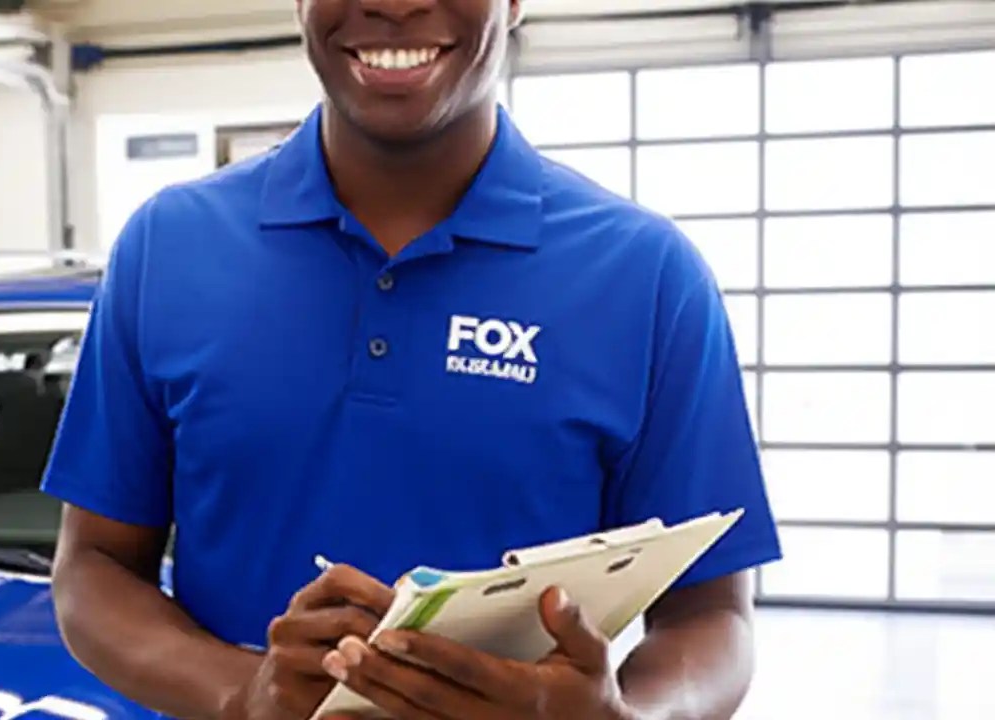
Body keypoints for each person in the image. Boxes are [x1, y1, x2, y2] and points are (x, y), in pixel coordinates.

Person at [42, 0, 782, 718]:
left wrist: (628, 717)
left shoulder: (646, 276)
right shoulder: (168, 246)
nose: (394, 6)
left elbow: (712, 613)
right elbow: (93, 569)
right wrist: (245, 693)